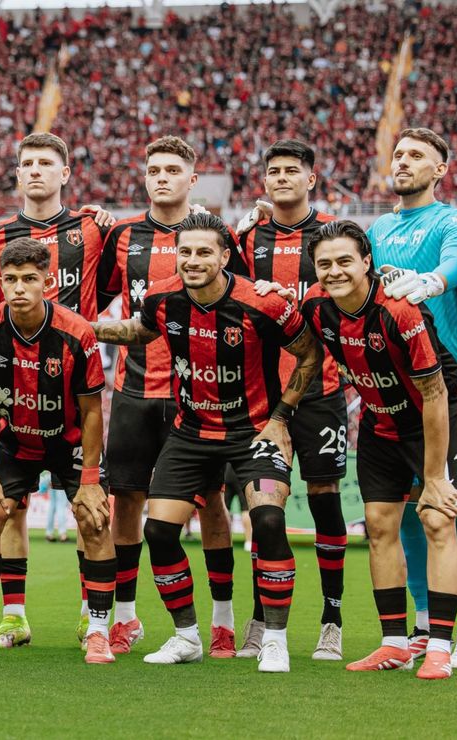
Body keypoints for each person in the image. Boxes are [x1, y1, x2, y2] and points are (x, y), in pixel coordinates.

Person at [92, 213, 323, 673]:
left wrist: (281, 419)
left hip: (254, 431)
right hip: (192, 431)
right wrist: (83, 327)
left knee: (270, 522)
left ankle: (274, 640)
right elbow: (140, 333)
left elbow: (309, 352)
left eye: (203, 252)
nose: (192, 261)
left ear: (223, 255)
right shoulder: (161, 298)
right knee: (157, 530)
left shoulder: (262, 303)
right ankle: (186, 637)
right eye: (185, 252)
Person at [0, 131, 112, 650]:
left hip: (71, 403)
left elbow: (120, 277)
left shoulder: (94, 227)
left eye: (46, 163)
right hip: (14, 413)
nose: (35, 171)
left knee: (96, 514)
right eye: (26, 163)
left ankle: (96, 625)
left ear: (65, 173)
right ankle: (6, 620)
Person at [95, 136, 241, 656]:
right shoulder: (123, 234)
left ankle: (223, 620)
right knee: (126, 502)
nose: (161, 177)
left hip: (196, 397)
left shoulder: (213, 237)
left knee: (213, 505)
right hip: (134, 388)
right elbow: (105, 299)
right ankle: (127, 618)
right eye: (153, 168)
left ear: (191, 179)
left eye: (172, 169)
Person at [300, 220, 457, 679]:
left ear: (367, 262)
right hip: (377, 421)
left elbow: (434, 395)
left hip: (437, 416)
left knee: (436, 517)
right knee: (378, 525)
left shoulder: (399, 309)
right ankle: (393, 644)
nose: (335, 271)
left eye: (346, 261)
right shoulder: (315, 306)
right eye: (325, 263)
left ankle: (441, 647)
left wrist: (433, 478)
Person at [234, 139, 349, 660]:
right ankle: (262, 616)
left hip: (322, 390)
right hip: (263, 399)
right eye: (273, 170)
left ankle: (332, 617)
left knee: (325, 502)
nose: (282, 178)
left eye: (292, 171)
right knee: (265, 510)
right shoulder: (248, 237)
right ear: (264, 182)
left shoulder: (334, 234)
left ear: (311, 179)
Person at [367, 127, 457, 660]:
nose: (403, 162)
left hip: (448, 375)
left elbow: (453, 260)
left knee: (441, 506)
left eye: (416, 155)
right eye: (399, 154)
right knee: (405, 513)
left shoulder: (448, 219)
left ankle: (444, 634)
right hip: (399, 381)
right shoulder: (379, 225)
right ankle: (423, 626)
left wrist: (432, 283)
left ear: (439, 169)